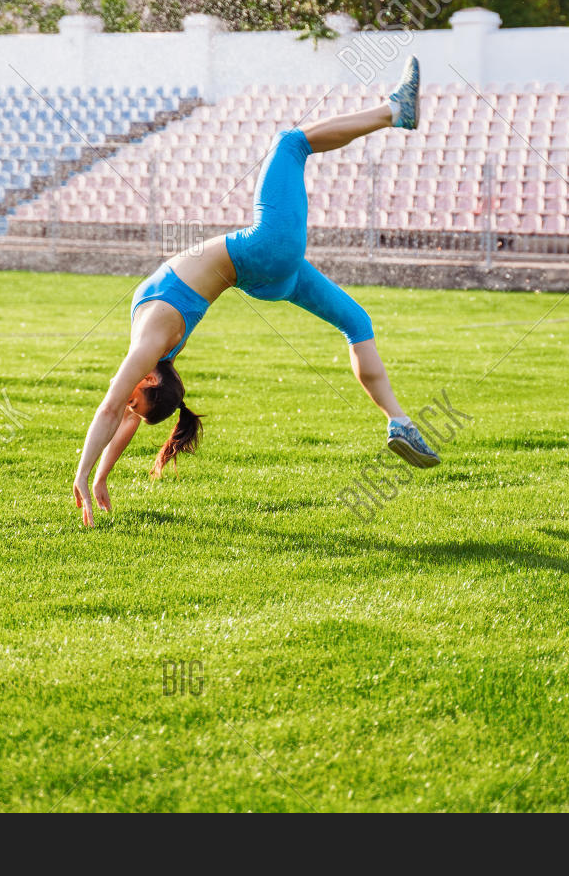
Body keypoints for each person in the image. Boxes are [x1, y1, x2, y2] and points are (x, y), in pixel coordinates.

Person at [72, 56, 440, 526]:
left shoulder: (155, 351)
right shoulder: (153, 345)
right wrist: (88, 474)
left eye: (133, 400)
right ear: (150, 382)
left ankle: (399, 422)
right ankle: (394, 112)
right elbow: (116, 411)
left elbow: (123, 415)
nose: (128, 399)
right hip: (264, 253)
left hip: (268, 278)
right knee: (289, 143)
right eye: (136, 398)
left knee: (356, 322)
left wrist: (96, 476)